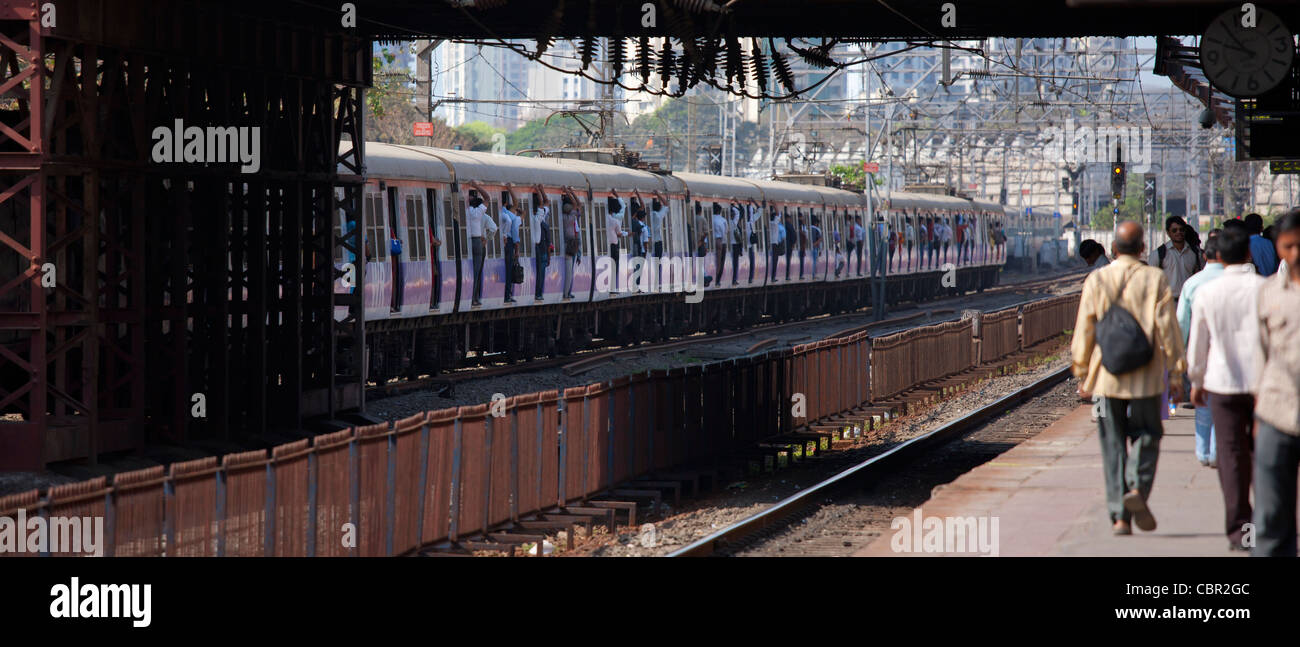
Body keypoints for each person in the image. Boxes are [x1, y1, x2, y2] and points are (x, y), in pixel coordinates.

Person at [1071, 220, 1187, 536]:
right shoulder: (1155, 279)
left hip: (1107, 376)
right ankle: (1137, 486)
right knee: (1149, 433)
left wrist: (1082, 370)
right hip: (1147, 376)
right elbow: (1168, 328)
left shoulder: (1096, 280)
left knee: (1112, 444)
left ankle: (1119, 517)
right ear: (1142, 250)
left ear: (1113, 249)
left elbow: (1085, 327)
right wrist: (1176, 371)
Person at [1188, 227, 1266, 551]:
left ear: (1218, 257)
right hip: (1263, 386)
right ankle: (1266, 524)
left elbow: (1198, 343)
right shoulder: (1267, 289)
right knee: (1262, 455)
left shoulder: (1207, 292)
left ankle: (1240, 532)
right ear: (1248, 254)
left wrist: (1195, 381)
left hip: (1221, 385)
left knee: (1230, 456)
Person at [1252, 208, 1300, 556]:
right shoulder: (1266, 294)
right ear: (1280, 248)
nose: (1296, 254)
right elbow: (1257, 356)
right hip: (1276, 413)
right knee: (1270, 514)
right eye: (1290, 246)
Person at [1177, 233, 1224, 467]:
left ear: (1204, 255)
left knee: (1203, 403)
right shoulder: (1240, 281)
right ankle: (1216, 450)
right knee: (1223, 405)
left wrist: (1180, 356)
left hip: (1201, 353)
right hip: (1229, 355)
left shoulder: (1192, 284)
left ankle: (1204, 450)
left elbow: (1182, 324)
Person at [1149, 216, 1202, 301]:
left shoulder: (1195, 253)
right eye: (1174, 230)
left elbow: (1200, 275)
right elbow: (1151, 280)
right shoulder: (1159, 254)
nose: (1179, 233)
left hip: (1190, 300)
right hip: (1168, 302)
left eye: (1181, 230)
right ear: (1168, 233)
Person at [465, 183, 498, 308]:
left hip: (466, 242)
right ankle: (474, 298)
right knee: (476, 271)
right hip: (477, 242)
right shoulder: (479, 213)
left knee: (468, 271)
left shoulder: (467, 211)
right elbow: (487, 198)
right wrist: (476, 186)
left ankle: (468, 296)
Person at [560, 188, 583, 300]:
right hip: (570, 246)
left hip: (567, 244)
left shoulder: (563, 218)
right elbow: (577, 204)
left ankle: (567, 292)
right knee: (569, 271)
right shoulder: (570, 218)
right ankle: (566, 293)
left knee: (569, 271)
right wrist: (570, 192)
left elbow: (576, 205)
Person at [499, 189, 521, 304]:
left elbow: (515, 204)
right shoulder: (512, 217)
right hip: (510, 243)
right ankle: (507, 295)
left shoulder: (502, 212)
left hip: (503, 243)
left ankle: (507, 295)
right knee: (509, 271)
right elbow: (516, 235)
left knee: (508, 270)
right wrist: (516, 251)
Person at [531, 185, 550, 302]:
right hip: (540, 248)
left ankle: (537, 292)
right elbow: (544, 203)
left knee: (538, 273)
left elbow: (544, 203)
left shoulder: (533, 218)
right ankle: (538, 293)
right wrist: (539, 190)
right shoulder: (538, 218)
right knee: (541, 273)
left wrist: (539, 191)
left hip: (535, 247)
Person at [710, 202, 728, 287]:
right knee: (720, 262)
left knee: (717, 261)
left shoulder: (710, 218)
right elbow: (726, 231)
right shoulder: (723, 220)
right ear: (720, 211)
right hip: (721, 241)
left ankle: (716, 279)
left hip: (713, 240)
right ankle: (717, 280)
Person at [769, 207, 785, 282]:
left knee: (773, 261)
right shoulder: (775, 223)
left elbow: (777, 215)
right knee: (775, 261)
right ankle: (773, 277)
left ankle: (772, 277)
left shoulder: (770, 223)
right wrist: (775, 204)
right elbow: (778, 214)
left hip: (771, 244)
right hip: (775, 244)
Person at [390, 229, 404, 311]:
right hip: (392, 261)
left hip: (392, 261)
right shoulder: (390, 230)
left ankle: (392, 304)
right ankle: (392, 304)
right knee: (392, 281)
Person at [784, 210, 797, 281]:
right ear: (787, 218)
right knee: (788, 260)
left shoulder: (784, 225)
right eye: (789, 218)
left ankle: (787, 275)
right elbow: (793, 234)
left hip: (785, 245)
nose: (790, 219)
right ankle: (787, 275)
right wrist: (793, 243)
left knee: (787, 260)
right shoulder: (789, 225)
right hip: (789, 246)